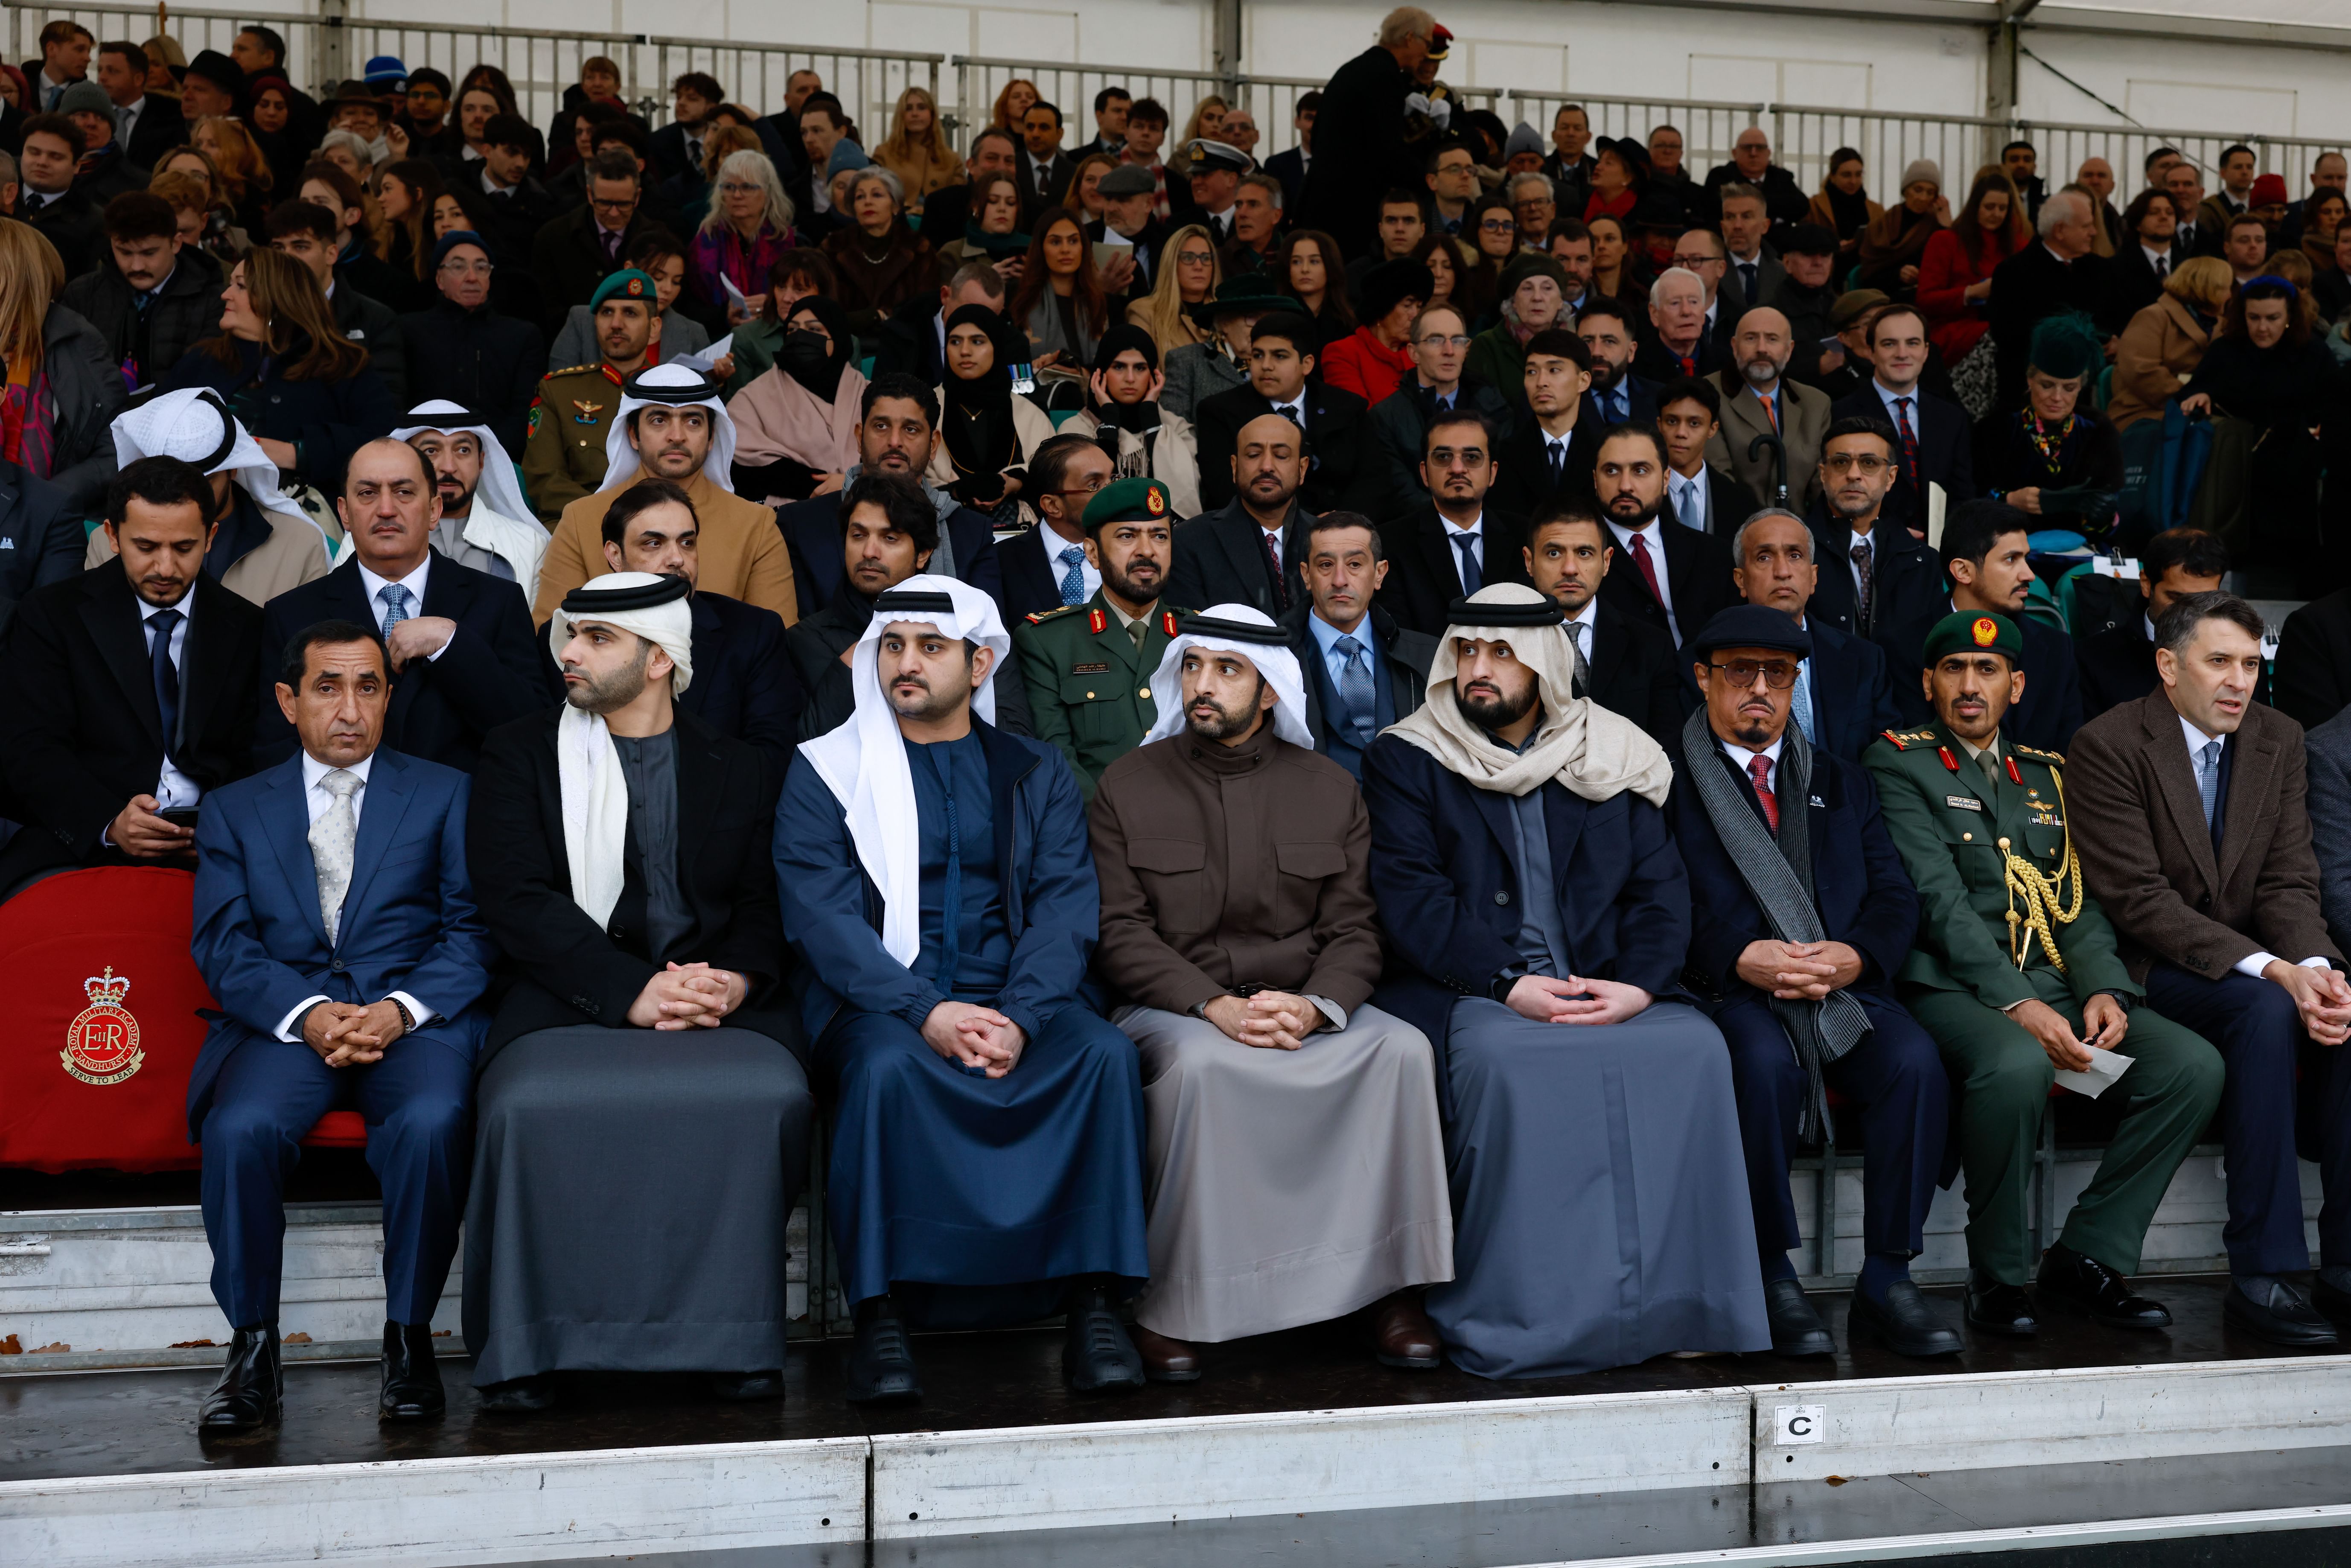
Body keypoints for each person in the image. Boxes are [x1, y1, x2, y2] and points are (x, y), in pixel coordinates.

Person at [1361, 584, 1768, 1375]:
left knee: (1692, 1048)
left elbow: (1660, 889)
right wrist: (1505, 983)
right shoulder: (1408, 753)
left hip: (1607, 980)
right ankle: (1528, 1320)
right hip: (1470, 988)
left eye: (1500, 653)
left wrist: (1642, 987)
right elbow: (1411, 897)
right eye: (1466, 651)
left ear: (1544, 664)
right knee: (1508, 1066)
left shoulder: (1612, 750)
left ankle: (1683, 1308)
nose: (1477, 669)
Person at [776, 575, 1151, 1402]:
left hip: (1022, 994)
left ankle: (1094, 1301)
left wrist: (1019, 1016)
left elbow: (1064, 906)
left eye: (932, 648)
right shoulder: (827, 770)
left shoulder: (1034, 770)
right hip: (879, 998)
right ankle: (881, 1312)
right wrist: (925, 1010)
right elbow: (822, 921)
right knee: (884, 1072)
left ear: (980, 663)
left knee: (1101, 1058)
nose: (907, 664)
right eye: (894, 647)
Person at [457, 570, 812, 1412]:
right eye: (570, 635)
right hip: (564, 995)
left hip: (715, 1000)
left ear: (660, 660)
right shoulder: (516, 751)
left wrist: (735, 979)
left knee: (769, 1092)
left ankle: (731, 1341)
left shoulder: (741, 766)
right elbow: (515, 899)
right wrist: (631, 992)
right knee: (527, 1105)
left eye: (596, 638)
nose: (569, 653)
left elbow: (765, 903)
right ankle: (532, 1345)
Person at [1087, 603, 1450, 1379]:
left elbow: (1355, 926)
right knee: (1201, 1069)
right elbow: (1119, 931)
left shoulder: (1327, 787)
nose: (1202, 686)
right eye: (1191, 666)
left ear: (1270, 690)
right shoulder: (1127, 783)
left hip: (1299, 1001)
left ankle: (1390, 1289)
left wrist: (1317, 1005)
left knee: (1400, 1049)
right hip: (1176, 1005)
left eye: (1226, 670)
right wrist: (1210, 1004)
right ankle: (1178, 1301)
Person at [1865, 611, 2224, 1339]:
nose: (1970, 684)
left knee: (2190, 1065)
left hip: (2055, 981)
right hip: (1951, 983)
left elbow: (2076, 900)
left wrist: (2103, 988)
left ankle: (2087, 1253)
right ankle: (1995, 1276)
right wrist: (2018, 1002)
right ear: (1929, 681)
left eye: (1988, 669)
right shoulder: (1897, 761)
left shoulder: (2046, 774)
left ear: (2016, 684)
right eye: (1955, 668)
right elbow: (1937, 902)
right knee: (2013, 1063)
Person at [184, 614, 489, 1430]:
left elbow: (474, 930)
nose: (349, 708)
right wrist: (309, 1012)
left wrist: (398, 1010)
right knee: (240, 1127)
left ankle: (408, 1336)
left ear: (389, 697)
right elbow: (223, 942)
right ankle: (252, 1348)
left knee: (432, 1120)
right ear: (289, 701)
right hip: (289, 1022)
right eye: (327, 687)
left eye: (368, 686)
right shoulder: (234, 808)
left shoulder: (444, 790)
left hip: (409, 1021)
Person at [1666, 604, 1957, 1358]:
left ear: (1796, 681)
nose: (1759, 688)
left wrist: (1855, 957)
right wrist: (1737, 953)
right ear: (1703, 678)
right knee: (1761, 1065)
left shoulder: (1842, 780)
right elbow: (1657, 896)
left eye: (1777, 672)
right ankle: (1767, 1271)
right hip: (1729, 988)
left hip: (1840, 984)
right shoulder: (1664, 781)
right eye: (1739, 671)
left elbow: (1894, 894)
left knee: (1912, 1061)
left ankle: (1888, 1274)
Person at [2069, 592, 2351, 1347]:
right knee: (2262, 1009)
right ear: (2166, 665)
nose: (2237, 680)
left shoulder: (2278, 737)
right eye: (2217, 660)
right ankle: (2260, 1272)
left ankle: (2346, 1265)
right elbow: (2138, 901)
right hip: (2151, 962)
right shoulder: (2107, 742)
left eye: (2251, 664)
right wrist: (2271, 971)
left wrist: (2317, 967)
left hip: (2246, 958)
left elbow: (2288, 881)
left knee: (2337, 1006)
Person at [0, 457, 262, 897]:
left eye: (184, 547)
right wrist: (108, 822)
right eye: (146, 546)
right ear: (111, 535)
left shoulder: (250, 627)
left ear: (211, 538)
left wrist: (222, 827)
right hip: (80, 845)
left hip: (218, 849)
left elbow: (261, 750)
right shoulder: (51, 617)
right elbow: (29, 746)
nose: (165, 567)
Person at [254, 438, 549, 774]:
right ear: (345, 513)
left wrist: (451, 645)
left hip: (466, 817)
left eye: (404, 492)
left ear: (435, 510)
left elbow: (532, 730)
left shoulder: (498, 600)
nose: (386, 510)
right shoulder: (291, 614)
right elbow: (275, 748)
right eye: (367, 493)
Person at [535, 363, 797, 625]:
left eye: (693, 421)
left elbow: (778, 637)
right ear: (633, 434)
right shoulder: (581, 519)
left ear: (711, 437)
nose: (677, 436)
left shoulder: (756, 525)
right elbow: (553, 634)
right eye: (659, 420)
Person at [160, 245, 396, 505]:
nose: (226, 295)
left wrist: (297, 453)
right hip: (204, 513)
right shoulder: (200, 361)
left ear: (276, 298)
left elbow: (384, 441)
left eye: (240, 286)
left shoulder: (342, 365)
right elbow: (154, 430)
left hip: (308, 517)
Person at [774, 376, 1005, 619]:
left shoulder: (971, 532)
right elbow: (797, 639)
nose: (895, 442)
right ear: (859, 437)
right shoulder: (800, 524)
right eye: (881, 426)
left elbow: (992, 635)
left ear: (934, 444)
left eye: (911, 429)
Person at [1014, 475, 1184, 793]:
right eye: (1127, 536)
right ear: (1092, 553)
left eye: (1159, 536)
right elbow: (1056, 758)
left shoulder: (1199, 637)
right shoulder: (1048, 641)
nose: (1146, 551)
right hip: (1103, 832)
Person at [87, 387, 330, 604]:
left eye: (203, 482)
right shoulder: (106, 545)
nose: (186, 498)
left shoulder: (300, 545)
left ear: (234, 470)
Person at [1879, 500, 2083, 753]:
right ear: (1963, 571)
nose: (2028, 575)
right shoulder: (1902, 649)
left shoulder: (2056, 648)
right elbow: (1913, 754)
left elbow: (2072, 753)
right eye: (2011, 560)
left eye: (2025, 559)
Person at [1731, 507, 1898, 761]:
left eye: (1795, 555)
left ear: (1813, 577)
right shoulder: (1708, 665)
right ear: (1741, 580)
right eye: (1764, 557)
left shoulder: (1865, 661)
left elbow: (1889, 761)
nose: (1783, 571)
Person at [1515, 501, 1683, 754]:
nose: (1570, 569)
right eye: (1554, 553)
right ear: (1529, 561)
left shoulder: (1652, 645)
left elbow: (1667, 746)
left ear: (1606, 561)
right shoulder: (1506, 643)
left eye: (1584, 553)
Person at [1286, 511, 1435, 777]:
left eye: (1355, 564)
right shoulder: (1272, 658)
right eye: (1325, 565)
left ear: (1379, 574)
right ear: (1306, 575)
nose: (1340, 580)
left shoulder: (1429, 658)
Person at [1194, 309, 1373, 513]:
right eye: (1258, 355)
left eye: (1280, 356)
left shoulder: (1347, 407)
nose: (1266, 366)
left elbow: (1373, 479)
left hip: (1341, 530)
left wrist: (1340, 521)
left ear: (1307, 364)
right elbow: (1224, 489)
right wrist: (1300, 526)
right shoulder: (1219, 411)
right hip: (1256, 532)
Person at [521, 268, 664, 522]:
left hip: (662, 525)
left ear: (654, 328)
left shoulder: (672, 394)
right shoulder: (559, 390)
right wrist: (617, 515)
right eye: (607, 312)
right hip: (579, 525)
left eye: (629, 313)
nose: (616, 324)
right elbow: (544, 480)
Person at [1975, 313, 2125, 547]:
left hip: (2081, 550)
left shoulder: (2099, 430)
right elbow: (1968, 505)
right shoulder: (1994, 430)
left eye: (2069, 388)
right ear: (2030, 381)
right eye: (2047, 385)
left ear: (2080, 388)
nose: (2057, 398)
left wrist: (2102, 517)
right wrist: (2009, 499)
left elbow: (2109, 522)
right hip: (2007, 551)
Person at [1377, 410, 1532, 636]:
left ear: (1493, 472)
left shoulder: (1526, 536)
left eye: (1472, 457)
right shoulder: (1390, 544)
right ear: (1424, 472)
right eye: (1443, 457)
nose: (1458, 469)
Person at [1296, 7, 1432, 259]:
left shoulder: (1353, 70)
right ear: (1410, 38)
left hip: (1320, 205)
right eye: (1427, 43)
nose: (1427, 53)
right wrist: (1428, 179)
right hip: (1350, 214)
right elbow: (1387, 151)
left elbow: (1319, 138)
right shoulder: (1385, 78)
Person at [394, 230, 544, 455]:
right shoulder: (408, 330)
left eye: (481, 268)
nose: (472, 277)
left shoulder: (521, 335)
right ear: (439, 279)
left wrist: (484, 455)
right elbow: (397, 406)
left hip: (499, 456)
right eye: (459, 267)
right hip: (421, 457)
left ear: (490, 279)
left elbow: (525, 412)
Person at [1829, 305, 1972, 533]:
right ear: (1871, 351)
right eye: (1889, 344)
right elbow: (1837, 495)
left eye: (1913, 343)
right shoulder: (1840, 413)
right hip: (1871, 546)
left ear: (1926, 351)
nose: (1902, 353)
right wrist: (1887, 533)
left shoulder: (1952, 417)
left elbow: (1963, 496)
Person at [1594, 422, 1735, 651]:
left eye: (1640, 471)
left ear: (1666, 479)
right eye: (1611, 471)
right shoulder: (1577, 558)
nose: (1625, 486)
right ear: (1595, 481)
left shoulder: (1714, 555)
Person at [1803, 416, 1942, 646]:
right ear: (1823, 474)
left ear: (1891, 477)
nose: (1853, 474)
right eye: (1840, 462)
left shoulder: (1923, 561)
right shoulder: (1793, 551)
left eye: (1869, 463)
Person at [62, 189, 219, 391]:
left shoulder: (212, 301)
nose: (137, 266)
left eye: (149, 253)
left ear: (176, 243)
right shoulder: (82, 294)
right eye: (125, 252)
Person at [391, 400, 548, 599]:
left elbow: (532, 628)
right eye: (431, 451)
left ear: (481, 462)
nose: (449, 467)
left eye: (463, 450)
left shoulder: (529, 545)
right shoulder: (366, 539)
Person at [1166, 411, 1316, 619]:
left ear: (1302, 468)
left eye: (1281, 456)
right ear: (1235, 467)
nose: (1266, 466)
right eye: (1254, 455)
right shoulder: (1190, 541)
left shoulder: (1326, 539)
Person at [265, 191, 408, 407]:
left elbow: (387, 405)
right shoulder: (257, 314)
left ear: (332, 254)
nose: (287, 257)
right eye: (279, 248)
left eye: (300, 246)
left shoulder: (375, 320)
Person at [1988, 187, 2121, 413]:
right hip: (2030, 394)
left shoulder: (2101, 269)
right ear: (2060, 230)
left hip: (2089, 392)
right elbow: (2009, 336)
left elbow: (2115, 315)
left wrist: (2116, 340)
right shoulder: (2014, 272)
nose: (2094, 232)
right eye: (2086, 226)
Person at [2076, 528, 2227, 719]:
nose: (2191, 612)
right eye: (2176, 598)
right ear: (2146, 584)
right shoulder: (2091, 659)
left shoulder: (2242, 661)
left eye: (2205, 600)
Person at [728, 294, 865, 505]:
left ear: (837, 338)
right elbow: (739, 466)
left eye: (814, 330)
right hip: (788, 518)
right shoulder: (754, 397)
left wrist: (853, 482)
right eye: (792, 330)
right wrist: (822, 488)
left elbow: (892, 458)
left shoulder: (869, 395)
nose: (800, 337)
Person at [1062, 326, 1203, 516]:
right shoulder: (1075, 429)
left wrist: (1152, 425)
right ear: (1100, 373)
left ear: (1153, 375)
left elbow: (1185, 498)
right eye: (1119, 367)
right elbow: (1088, 496)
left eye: (1140, 368)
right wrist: (1109, 422)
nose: (1130, 378)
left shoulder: (1176, 428)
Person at [1918, 169, 2027, 417]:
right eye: (1989, 207)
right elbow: (1925, 300)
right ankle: (1975, 416)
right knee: (1998, 340)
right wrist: (1971, 293)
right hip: (1953, 329)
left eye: (2002, 208)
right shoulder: (1945, 241)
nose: (1996, 214)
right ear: (1975, 206)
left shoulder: (2019, 245)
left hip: (2004, 329)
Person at [1704, 306, 1830, 512]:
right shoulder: (1709, 396)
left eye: (1772, 339)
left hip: (1802, 532)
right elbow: (1720, 479)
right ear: (1735, 347)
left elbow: (1822, 485)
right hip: (1736, 530)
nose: (1762, 348)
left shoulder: (1816, 403)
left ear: (1789, 350)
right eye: (1751, 338)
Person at [996, 432, 1115, 624]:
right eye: (1094, 485)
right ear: (1052, 505)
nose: (1113, 493)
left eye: (1114, 479)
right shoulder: (1002, 561)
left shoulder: (1135, 552)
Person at [2106, 256, 2230, 431]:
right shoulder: (2154, 317)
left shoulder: (2222, 325)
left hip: (2201, 411)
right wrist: (2190, 395)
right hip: (2145, 412)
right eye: (2226, 288)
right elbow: (2143, 372)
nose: (2231, 295)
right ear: (2209, 288)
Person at [1487, 327, 1597, 520]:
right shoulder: (1503, 454)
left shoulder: (1604, 452)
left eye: (1554, 370)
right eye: (1531, 372)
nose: (1541, 382)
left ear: (1584, 381)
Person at [822, 166, 931, 333]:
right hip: (847, 344)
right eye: (860, 197)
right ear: (854, 208)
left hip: (903, 345)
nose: (868, 202)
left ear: (895, 206)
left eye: (877, 195)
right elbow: (824, 310)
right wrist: (874, 316)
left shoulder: (918, 248)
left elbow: (925, 309)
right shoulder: (834, 248)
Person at [691, 149, 798, 319]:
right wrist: (725, 316)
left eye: (747, 187)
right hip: (717, 335)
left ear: (768, 192)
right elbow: (690, 306)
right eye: (729, 187)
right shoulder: (706, 239)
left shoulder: (789, 242)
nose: (737, 195)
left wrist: (772, 305)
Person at [1319, 257, 1430, 407]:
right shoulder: (1343, 354)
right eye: (1408, 305)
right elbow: (1359, 415)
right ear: (1381, 309)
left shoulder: (1420, 352)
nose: (1415, 315)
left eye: (1419, 307)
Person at [1650, 376, 1746, 536]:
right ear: (1660, 424)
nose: (1681, 433)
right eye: (1672, 421)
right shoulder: (1640, 492)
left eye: (1694, 423)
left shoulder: (1738, 500)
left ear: (1713, 429)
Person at [16, 112, 104, 274]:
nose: (42, 162)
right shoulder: (4, 199)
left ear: (77, 165)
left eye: (56, 157)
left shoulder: (94, 222)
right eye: (34, 152)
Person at [1856, 161, 1947, 297]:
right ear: (1906, 191)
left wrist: (1946, 226)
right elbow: (1868, 275)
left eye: (1930, 193)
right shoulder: (1883, 225)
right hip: (1883, 294)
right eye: (1918, 190)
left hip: (1925, 297)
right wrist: (1898, 274)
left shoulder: (1936, 226)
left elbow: (1947, 268)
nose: (1923, 198)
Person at [873, 85, 964, 204]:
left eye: (921, 108)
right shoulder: (884, 154)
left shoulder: (952, 159)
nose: (915, 113)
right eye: (909, 108)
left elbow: (958, 201)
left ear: (932, 115)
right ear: (901, 115)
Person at [1576, 298, 1660, 426]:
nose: (1596, 352)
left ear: (1631, 352)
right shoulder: (1561, 400)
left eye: (1609, 341)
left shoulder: (1660, 399)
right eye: (1588, 341)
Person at [1704, 128, 1806, 229]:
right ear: (1735, 153)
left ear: (1769, 153)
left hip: (1779, 238)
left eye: (1760, 148)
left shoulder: (1781, 177)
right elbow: (1714, 209)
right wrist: (1775, 209)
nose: (1754, 153)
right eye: (1747, 148)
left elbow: (1801, 206)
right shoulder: (1720, 176)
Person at [2109, 188, 2183, 317]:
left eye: (2170, 213)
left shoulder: (2188, 266)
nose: (2164, 217)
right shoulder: (2116, 268)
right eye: (2154, 213)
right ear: (2138, 224)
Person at [1264, 91, 1317, 214]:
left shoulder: (1340, 165)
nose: (1314, 125)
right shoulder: (1277, 165)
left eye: (1320, 119)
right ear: (1297, 121)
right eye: (1309, 118)